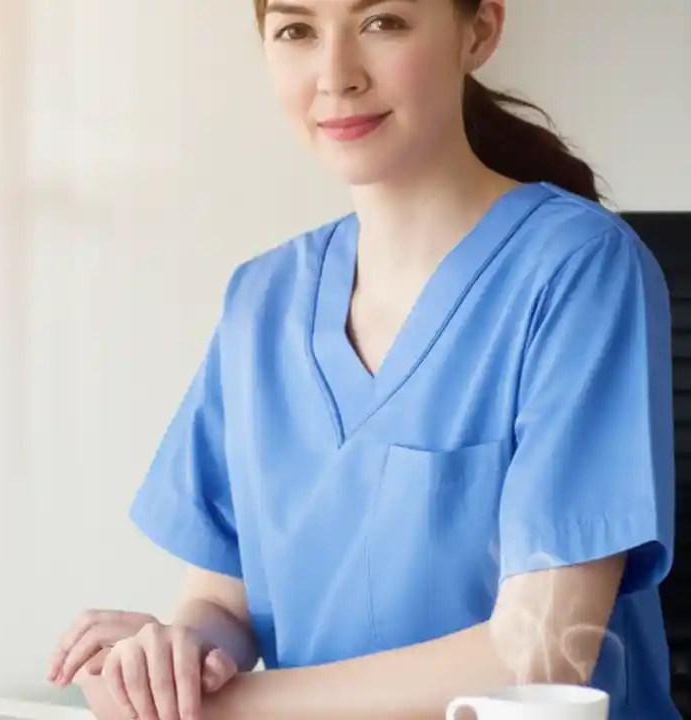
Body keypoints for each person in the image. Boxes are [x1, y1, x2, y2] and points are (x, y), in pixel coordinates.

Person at [46, 0, 679, 718]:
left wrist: (228, 711)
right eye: (296, 31)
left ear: (479, 30)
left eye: (383, 22)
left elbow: (542, 652)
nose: (336, 74)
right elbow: (227, 597)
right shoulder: (262, 299)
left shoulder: (577, 269)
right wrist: (172, 662)